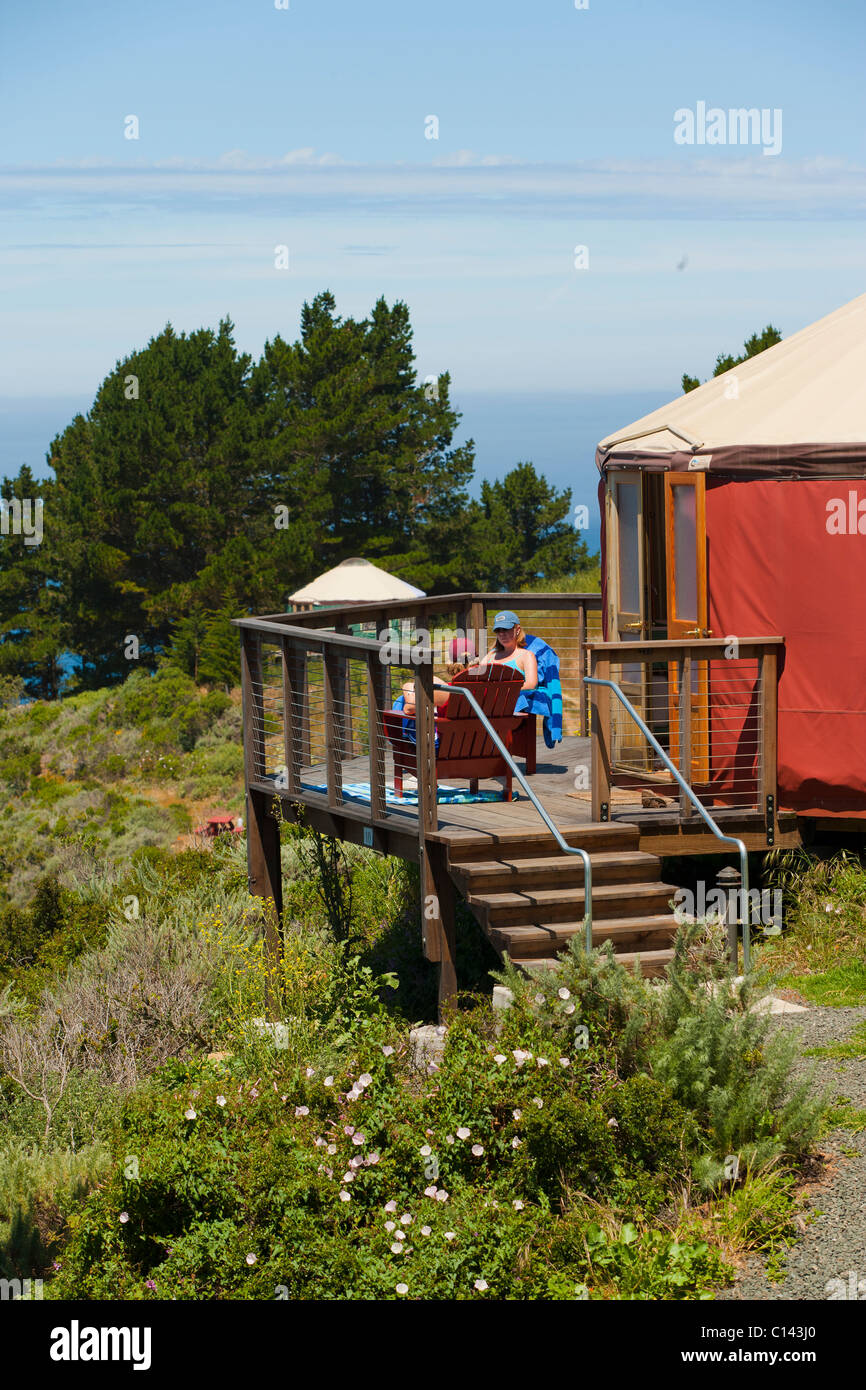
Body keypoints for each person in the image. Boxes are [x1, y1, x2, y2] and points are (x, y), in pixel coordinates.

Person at [476, 610, 538, 692]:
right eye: (498, 630)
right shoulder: (491, 655)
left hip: (515, 702)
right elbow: (477, 680)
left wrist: (502, 690)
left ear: (518, 630)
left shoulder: (526, 656)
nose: (501, 634)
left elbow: (531, 684)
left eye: (506, 629)